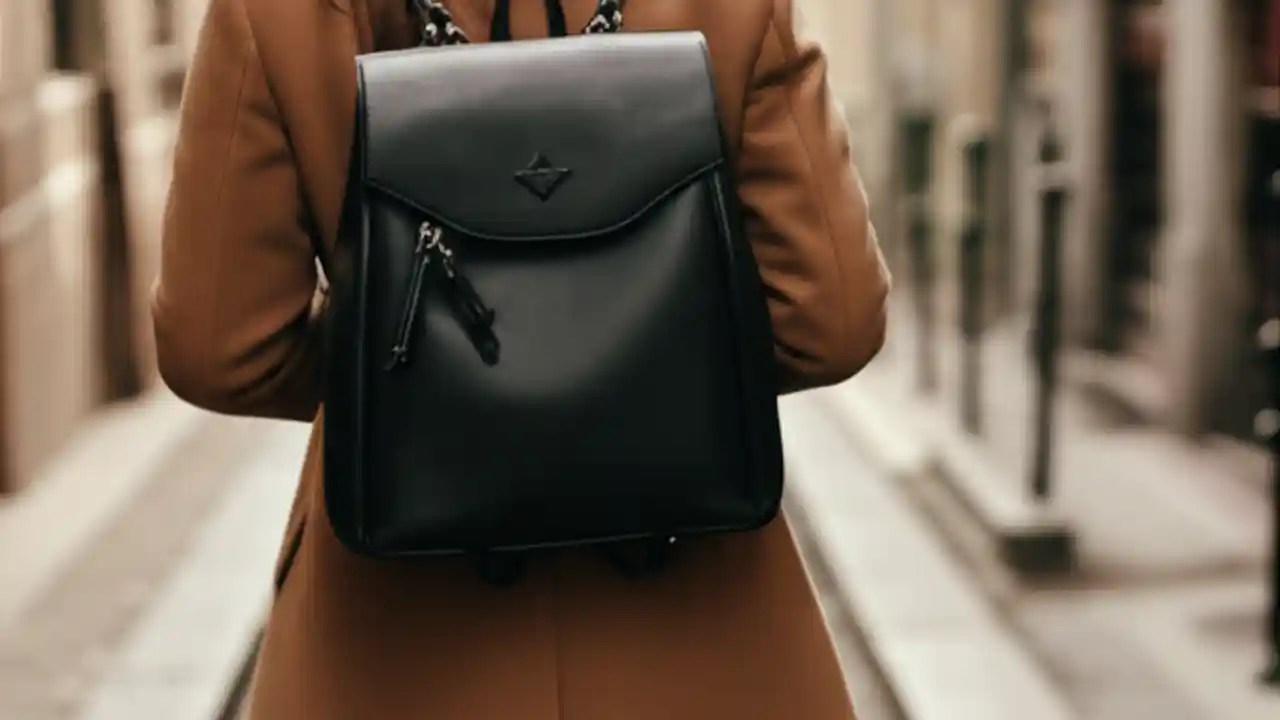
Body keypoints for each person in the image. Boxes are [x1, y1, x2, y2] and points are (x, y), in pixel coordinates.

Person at [152, 0, 890, 717]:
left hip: (389, 652)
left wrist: (421, 384)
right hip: (704, 629)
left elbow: (217, 349)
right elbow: (834, 321)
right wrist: (637, 375)